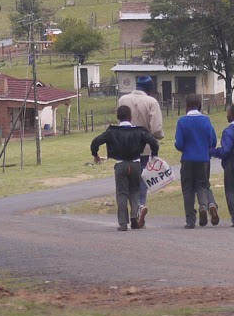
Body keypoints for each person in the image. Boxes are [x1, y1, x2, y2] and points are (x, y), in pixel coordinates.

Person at [90, 104, 160, 232]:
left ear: (118, 117)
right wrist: (153, 156)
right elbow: (153, 142)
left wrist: (96, 155)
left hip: (121, 165)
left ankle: (123, 223)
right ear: (130, 117)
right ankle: (134, 216)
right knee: (135, 191)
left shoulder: (112, 132)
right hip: (136, 164)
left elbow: (95, 142)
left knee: (122, 193)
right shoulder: (139, 131)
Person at [116, 75, 164, 228]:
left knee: (124, 185)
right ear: (149, 89)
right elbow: (156, 129)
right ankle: (140, 206)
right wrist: (158, 137)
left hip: (124, 148)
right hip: (145, 148)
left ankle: (126, 216)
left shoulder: (123, 100)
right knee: (142, 180)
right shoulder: (151, 102)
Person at [174, 93, 219, 228]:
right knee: (202, 185)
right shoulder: (206, 120)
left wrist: (184, 148)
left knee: (188, 188)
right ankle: (203, 207)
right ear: (199, 106)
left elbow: (179, 144)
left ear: (186, 106)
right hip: (203, 159)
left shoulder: (182, 121)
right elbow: (213, 141)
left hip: (187, 159)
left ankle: (190, 219)